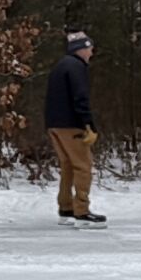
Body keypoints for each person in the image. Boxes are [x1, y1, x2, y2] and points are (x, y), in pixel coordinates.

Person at [44, 30, 106, 227]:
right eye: (89, 48)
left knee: (68, 166)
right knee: (83, 166)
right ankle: (82, 211)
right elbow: (80, 97)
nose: (91, 53)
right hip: (71, 124)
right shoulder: (77, 67)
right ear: (81, 49)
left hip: (54, 124)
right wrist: (89, 124)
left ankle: (66, 208)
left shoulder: (61, 66)